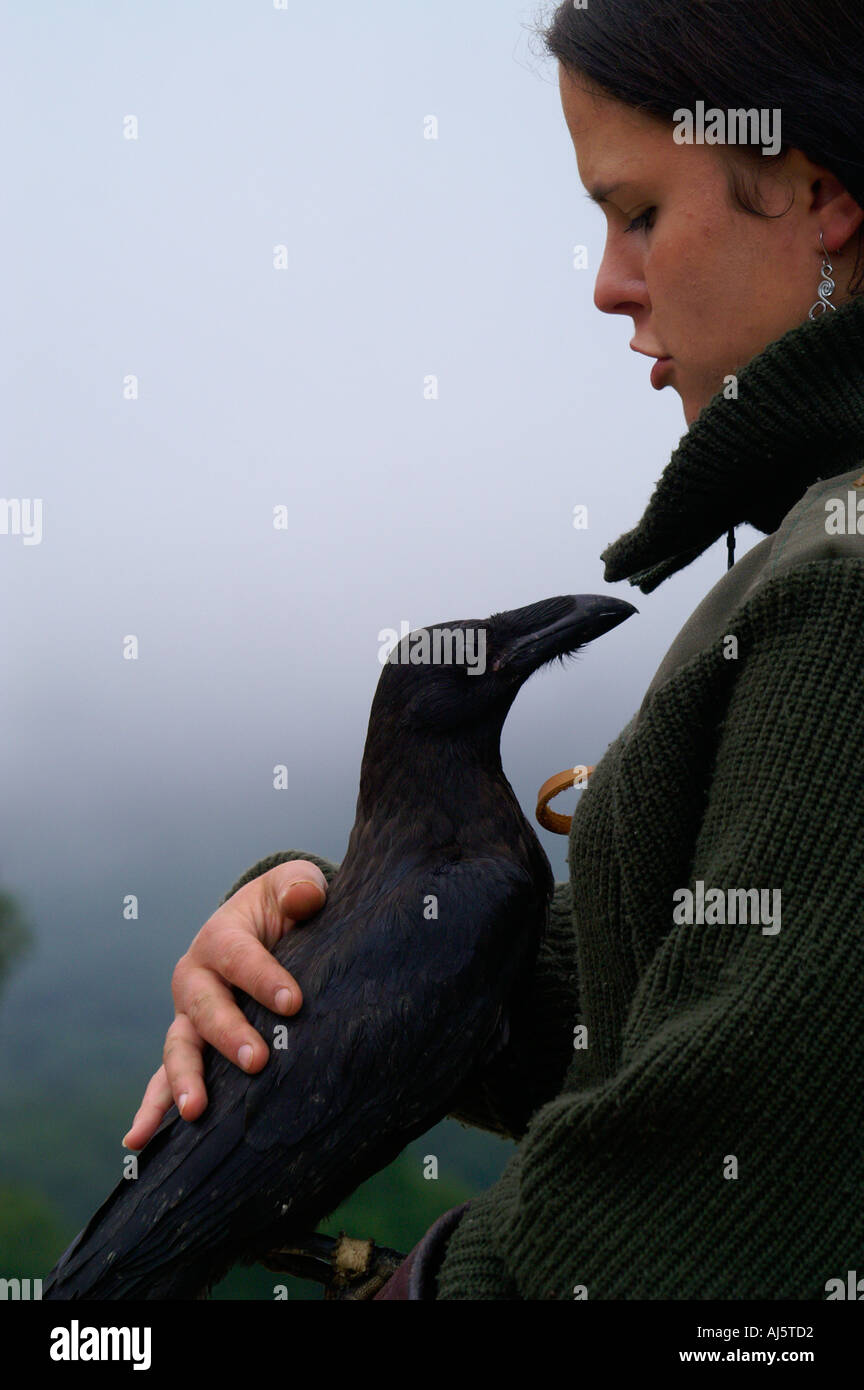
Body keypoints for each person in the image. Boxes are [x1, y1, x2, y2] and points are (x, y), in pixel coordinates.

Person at [123, 0, 864, 1298]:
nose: (606, 283)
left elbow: (708, 1187)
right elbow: (699, 1001)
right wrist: (342, 946)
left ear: (821, 193)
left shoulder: (838, 595)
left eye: (637, 212)